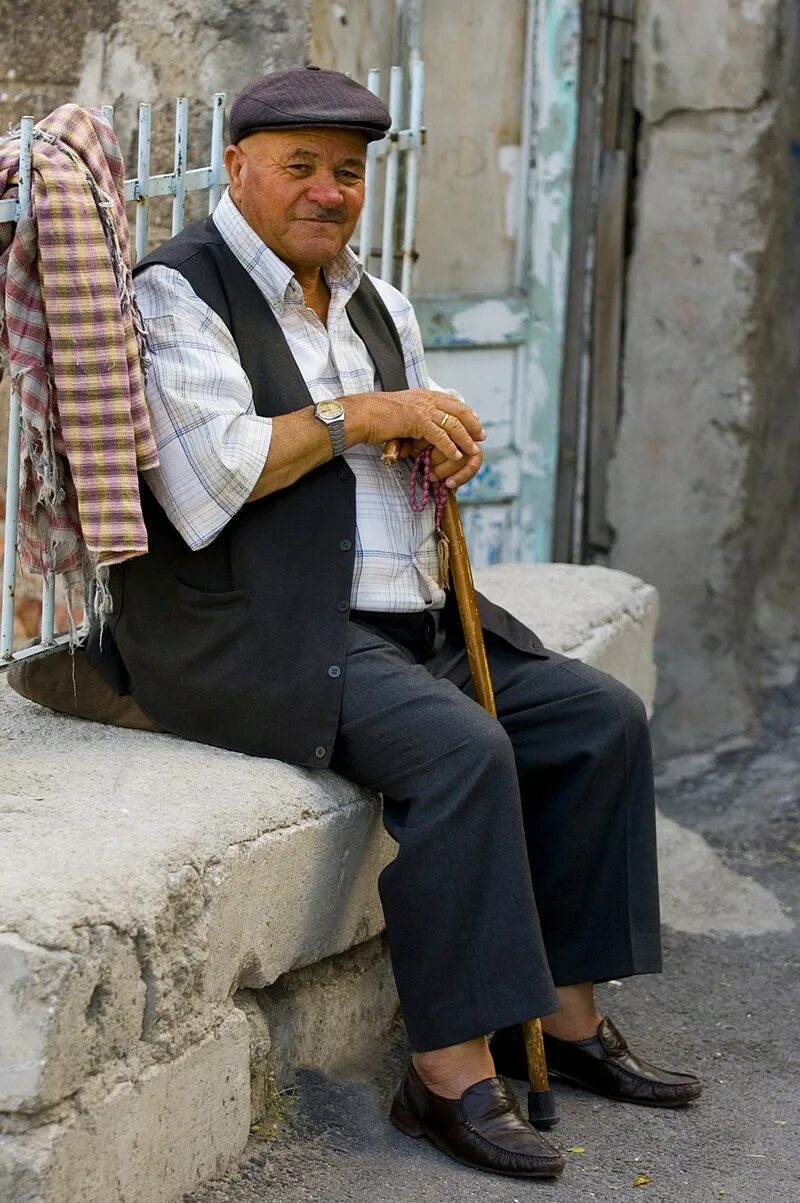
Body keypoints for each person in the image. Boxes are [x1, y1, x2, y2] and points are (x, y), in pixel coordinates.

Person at [99, 67, 701, 1180]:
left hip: (404, 612)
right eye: (299, 167)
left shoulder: (376, 299)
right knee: (462, 752)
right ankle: (445, 1075)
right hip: (254, 630)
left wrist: (438, 443)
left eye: (346, 172)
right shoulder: (177, 292)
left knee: (596, 719)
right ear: (237, 168)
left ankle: (561, 1019)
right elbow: (208, 479)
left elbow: (404, 438)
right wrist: (367, 413)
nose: (327, 191)